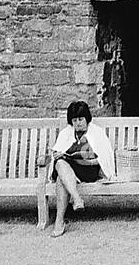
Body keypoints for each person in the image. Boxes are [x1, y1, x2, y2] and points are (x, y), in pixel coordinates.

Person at [43, 101, 115, 237]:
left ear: (87, 118)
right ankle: (75, 201)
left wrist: (81, 159)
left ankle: (61, 220)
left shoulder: (97, 133)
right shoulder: (66, 133)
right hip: (68, 170)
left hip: (88, 170)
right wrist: (58, 154)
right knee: (60, 165)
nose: (78, 123)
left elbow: (103, 159)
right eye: (74, 120)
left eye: (81, 119)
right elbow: (57, 154)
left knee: (61, 175)